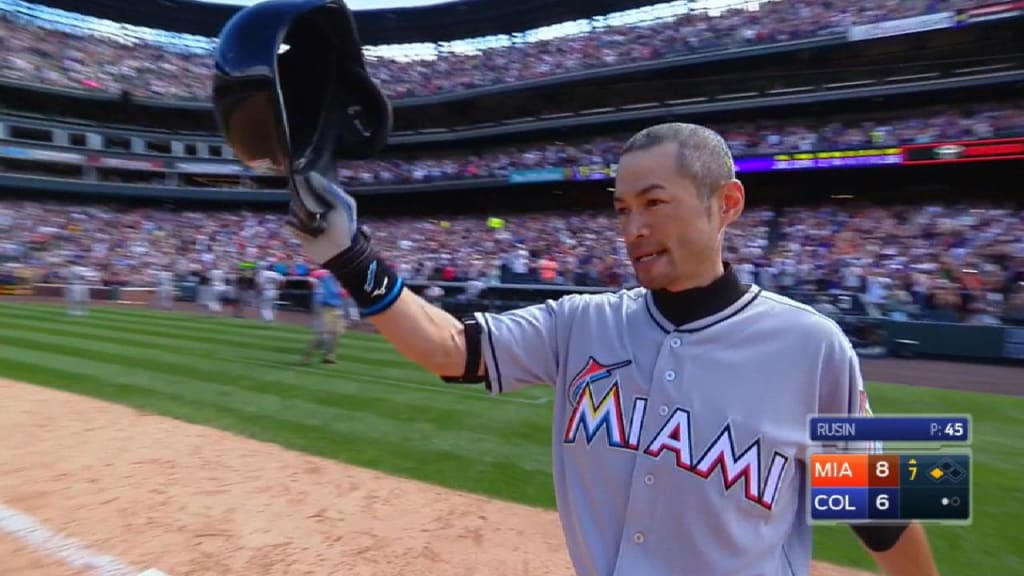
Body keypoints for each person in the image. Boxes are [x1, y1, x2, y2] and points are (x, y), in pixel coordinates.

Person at [285, 123, 941, 576]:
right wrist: (350, 255)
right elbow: (451, 349)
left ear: (727, 204)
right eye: (622, 208)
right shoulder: (582, 324)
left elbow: (883, 516)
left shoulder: (813, 345)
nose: (634, 229)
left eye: (654, 203)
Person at [299, 269, 346, 365]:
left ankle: (329, 357)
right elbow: (318, 296)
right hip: (326, 309)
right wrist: (319, 312)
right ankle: (306, 357)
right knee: (323, 336)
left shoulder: (339, 281)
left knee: (336, 334)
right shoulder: (325, 279)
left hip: (337, 309)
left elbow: (341, 295)